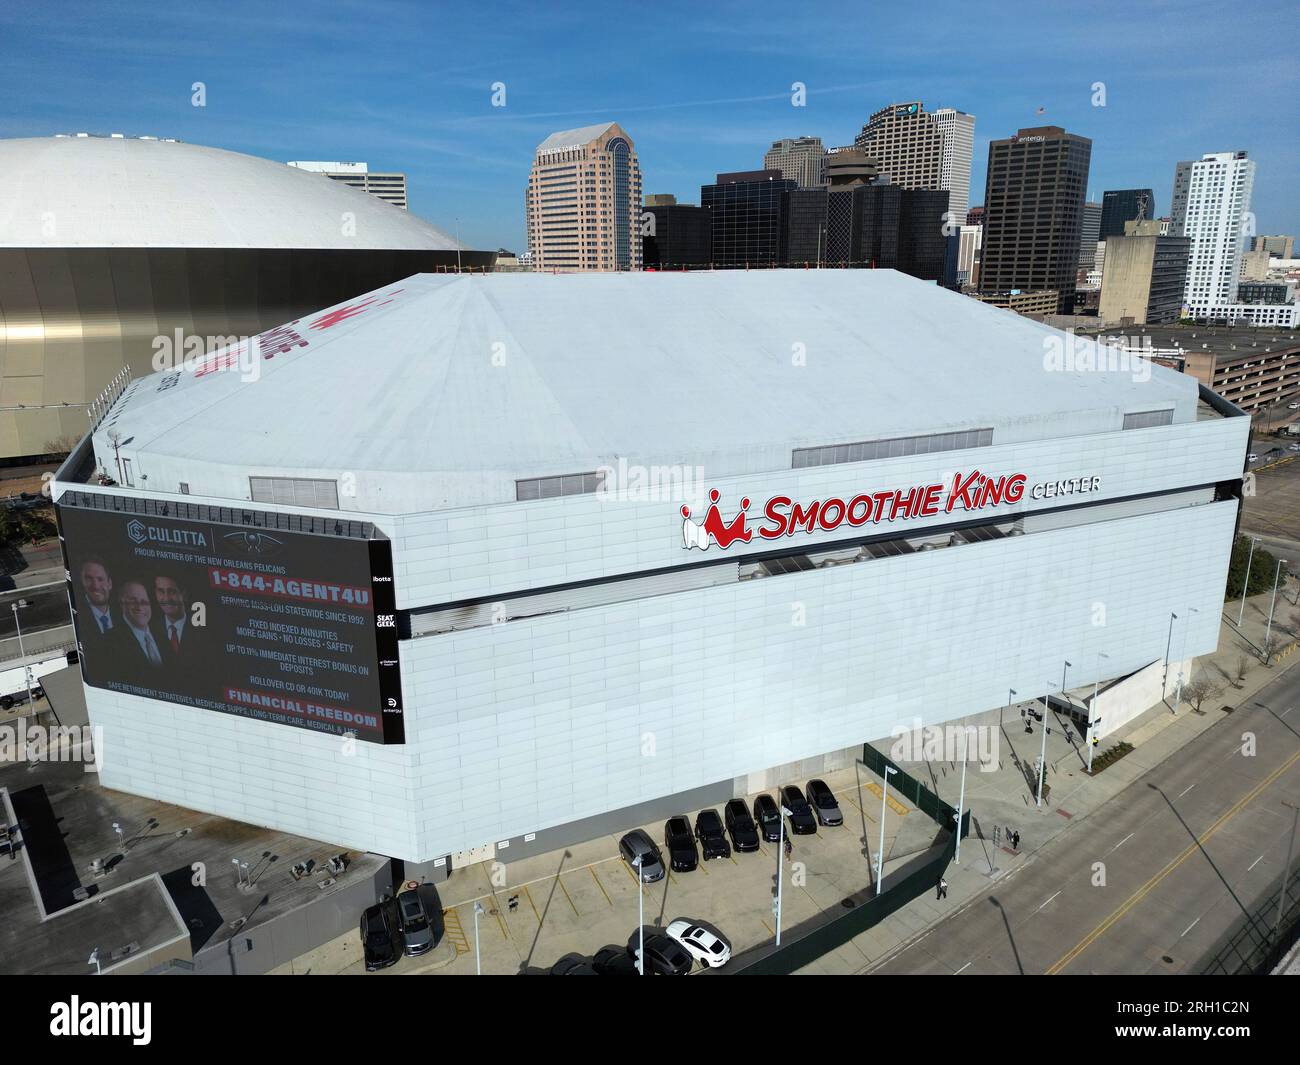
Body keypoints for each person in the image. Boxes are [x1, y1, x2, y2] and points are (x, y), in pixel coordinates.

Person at [110, 580, 165, 684]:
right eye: (133, 601)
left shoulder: (164, 636)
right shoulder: (110, 642)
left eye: (144, 602)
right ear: (122, 604)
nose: (140, 607)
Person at [152, 573, 204, 668]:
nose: (166, 598)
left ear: (183, 594)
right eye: (161, 591)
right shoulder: (149, 629)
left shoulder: (202, 630)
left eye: (172, 592)